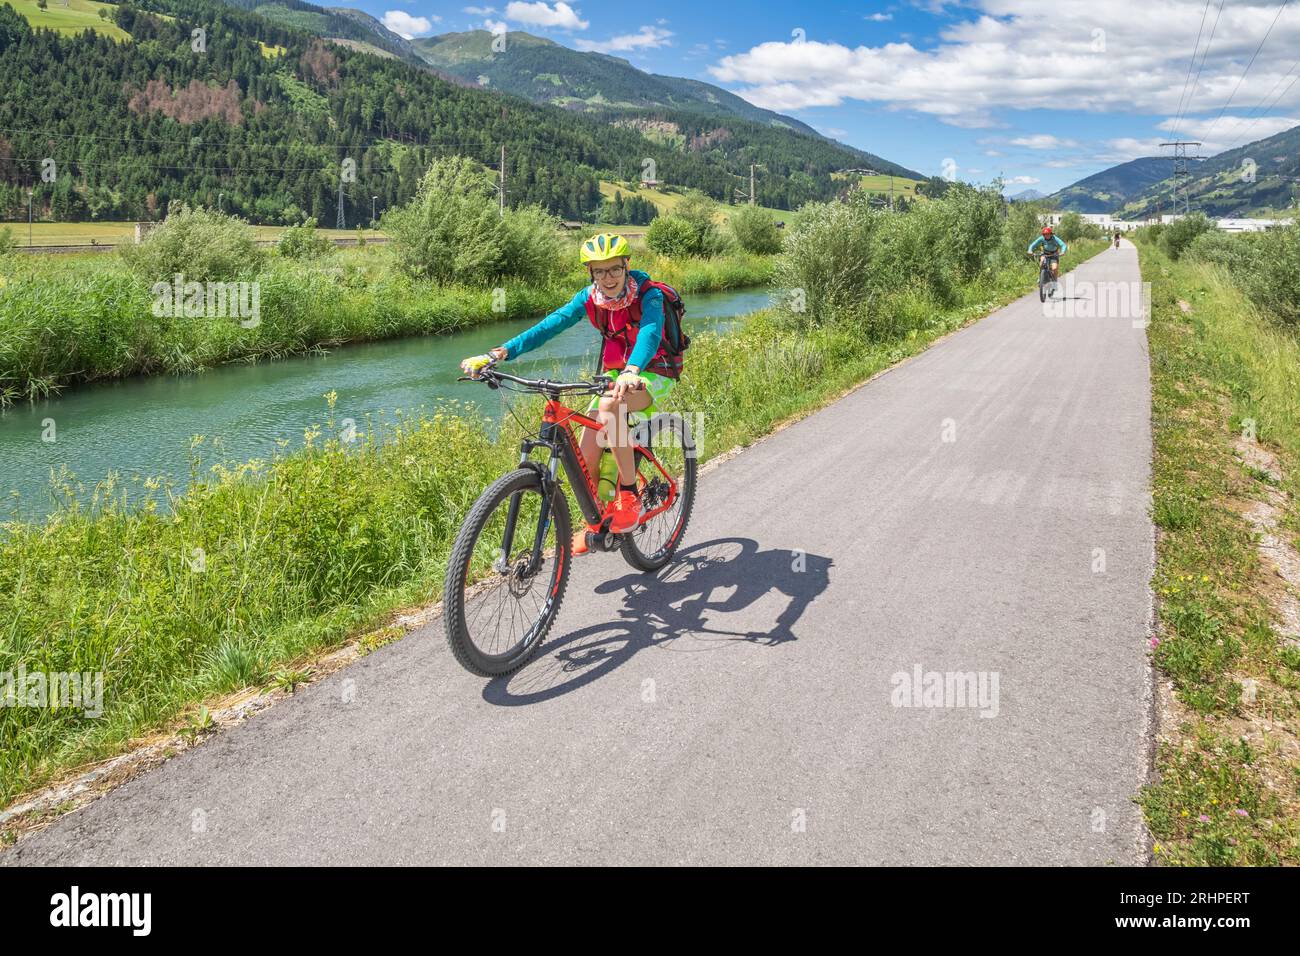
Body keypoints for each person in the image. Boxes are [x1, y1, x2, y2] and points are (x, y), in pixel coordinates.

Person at [460, 233, 679, 552]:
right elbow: (551, 325)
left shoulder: (648, 294)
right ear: (591, 273)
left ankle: (630, 494)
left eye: (614, 270)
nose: (608, 278)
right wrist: (501, 352)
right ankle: (600, 523)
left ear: (626, 266)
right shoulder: (590, 298)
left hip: (652, 369)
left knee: (610, 405)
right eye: (599, 271)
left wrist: (632, 370)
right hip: (615, 373)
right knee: (585, 456)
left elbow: (650, 331)